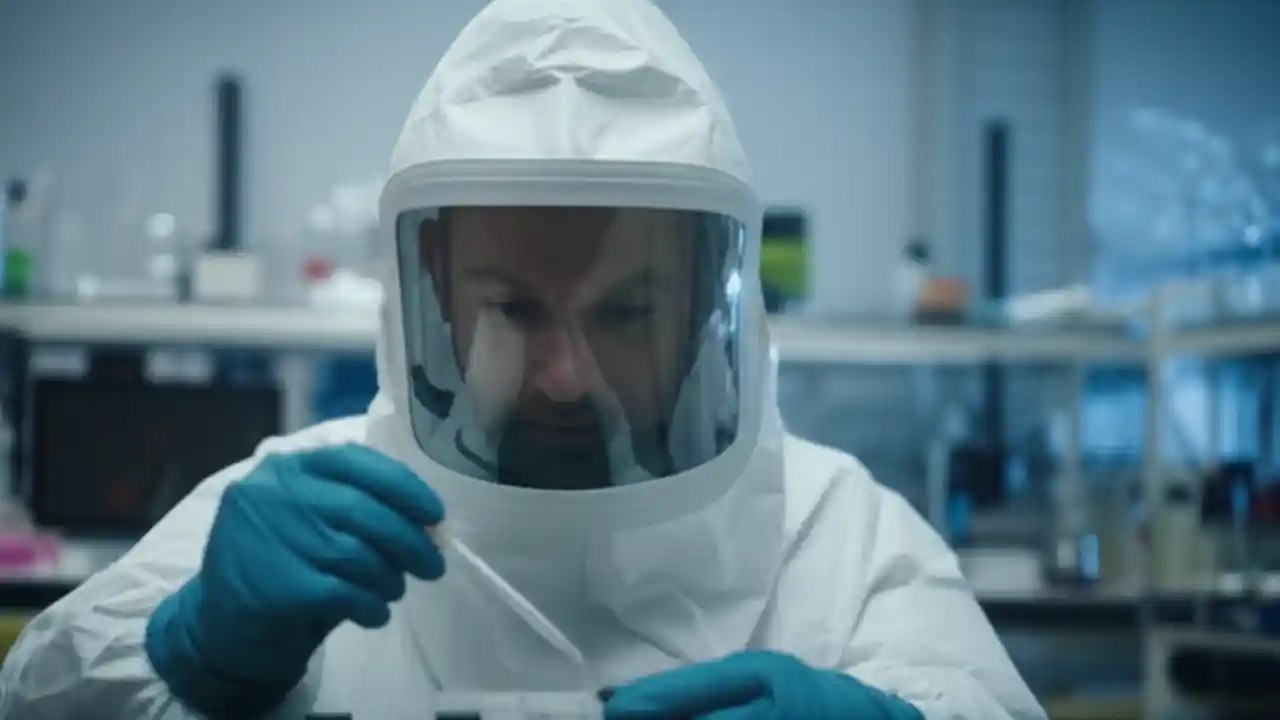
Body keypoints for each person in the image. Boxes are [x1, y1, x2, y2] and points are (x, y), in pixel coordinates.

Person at [0, 1, 1045, 718]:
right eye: (510, 308)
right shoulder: (309, 513)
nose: (563, 376)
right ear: (431, 296)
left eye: (626, 312)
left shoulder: (839, 536)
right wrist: (193, 657)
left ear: (704, 313)